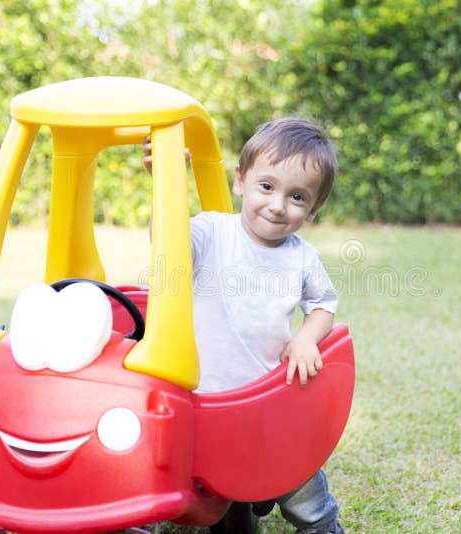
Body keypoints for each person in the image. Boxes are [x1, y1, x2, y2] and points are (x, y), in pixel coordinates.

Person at [143, 117, 344, 534]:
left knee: (301, 486)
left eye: (297, 197)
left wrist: (308, 336)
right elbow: (168, 243)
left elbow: (323, 305)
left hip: (265, 402)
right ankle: (236, 513)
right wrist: (166, 184)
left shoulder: (302, 257)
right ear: (241, 180)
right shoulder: (212, 231)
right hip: (200, 400)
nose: (276, 205)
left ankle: (323, 526)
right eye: (267, 187)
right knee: (198, 481)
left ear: (313, 209)